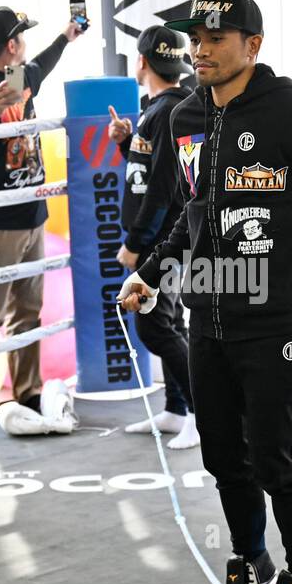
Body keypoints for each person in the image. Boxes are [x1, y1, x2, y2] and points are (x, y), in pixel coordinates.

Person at [119, 0, 292, 584]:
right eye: (193, 38)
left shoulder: (291, 113)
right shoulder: (185, 117)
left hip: (272, 316)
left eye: (215, 38)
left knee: (274, 457)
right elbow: (190, 212)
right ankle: (252, 568)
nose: (199, 49)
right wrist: (153, 269)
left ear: (252, 45)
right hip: (206, 310)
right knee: (223, 457)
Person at [0, 6, 83, 423]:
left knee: (28, 309)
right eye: (21, 38)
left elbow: (43, 64)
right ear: (11, 45)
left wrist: (67, 36)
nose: (25, 45)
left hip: (32, 212)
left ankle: (28, 390)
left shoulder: (21, 77)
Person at [107, 25, 197, 450]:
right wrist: (127, 144)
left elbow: (163, 188)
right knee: (169, 321)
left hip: (162, 240)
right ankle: (177, 410)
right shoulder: (162, 108)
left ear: (142, 61)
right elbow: (150, 171)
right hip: (167, 236)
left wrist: (137, 243)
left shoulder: (167, 111)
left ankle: (199, 414)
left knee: (154, 328)